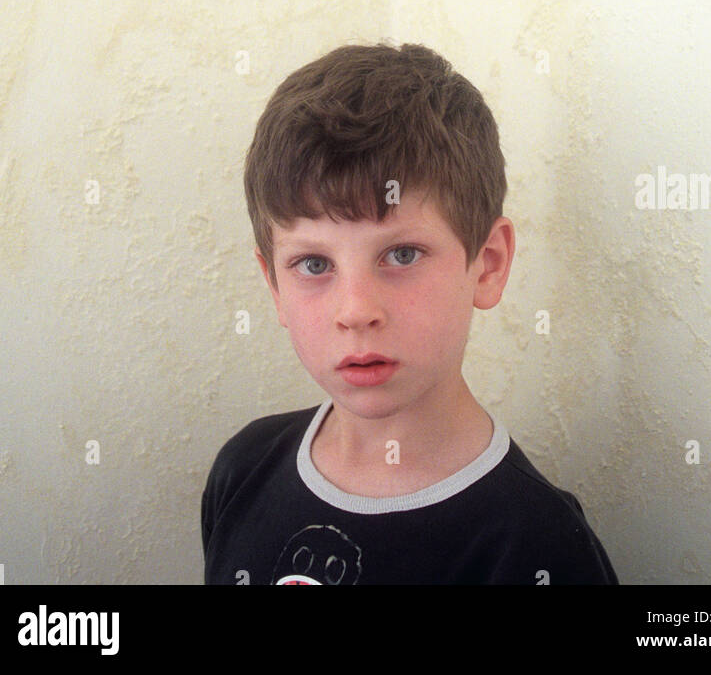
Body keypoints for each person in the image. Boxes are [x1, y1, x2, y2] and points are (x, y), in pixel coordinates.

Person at [201, 41, 618, 585]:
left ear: (487, 265)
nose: (355, 312)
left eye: (401, 255)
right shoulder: (243, 470)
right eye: (312, 263)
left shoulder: (536, 546)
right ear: (274, 285)